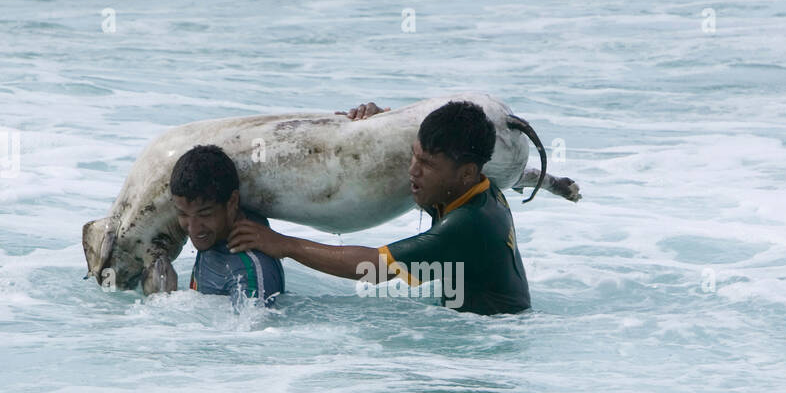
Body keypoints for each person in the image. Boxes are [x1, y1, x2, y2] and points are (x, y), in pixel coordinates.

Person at [227, 100, 530, 315]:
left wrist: (284, 245)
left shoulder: (467, 224)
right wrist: (379, 128)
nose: (413, 170)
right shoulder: (473, 187)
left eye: (426, 164)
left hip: (490, 337)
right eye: (414, 155)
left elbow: (372, 268)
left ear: (466, 172)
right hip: (485, 324)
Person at [162, 144, 284, 304]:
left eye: (204, 214)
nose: (193, 229)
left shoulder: (250, 270)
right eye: (183, 214)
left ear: (232, 201)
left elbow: (257, 327)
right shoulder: (216, 234)